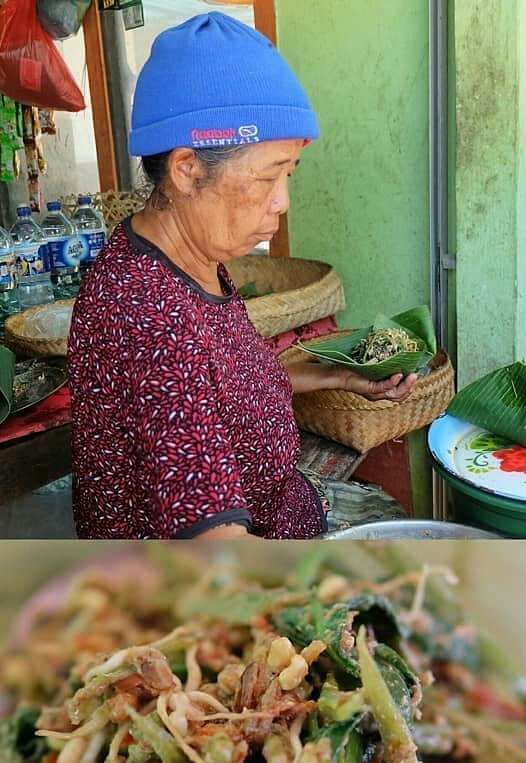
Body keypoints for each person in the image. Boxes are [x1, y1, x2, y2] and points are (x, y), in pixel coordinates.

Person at [68, 13, 416, 540]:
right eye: (267, 176)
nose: (282, 202)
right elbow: (220, 549)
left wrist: (341, 377)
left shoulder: (190, 258)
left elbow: (224, 385)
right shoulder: (147, 314)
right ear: (187, 170)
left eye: (289, 173)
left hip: (286, 508)